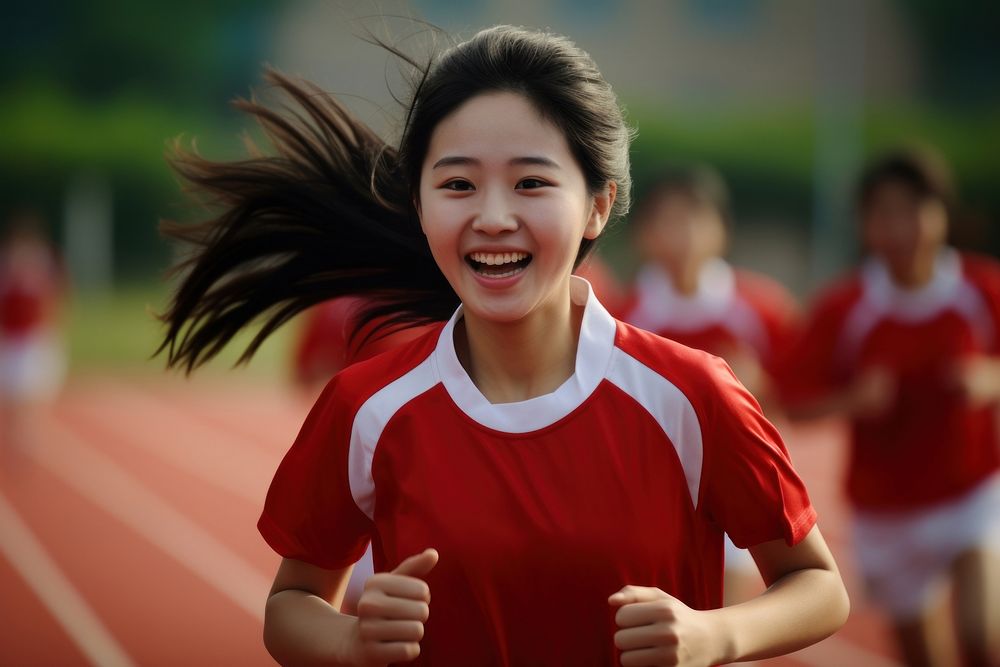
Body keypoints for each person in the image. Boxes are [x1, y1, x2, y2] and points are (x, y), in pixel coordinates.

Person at [158, 25, 848, 666]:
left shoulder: (691, 394)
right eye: (457, 184)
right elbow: (289, 606)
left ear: (599, 204)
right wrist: (353, 641)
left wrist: (714, 632)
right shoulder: (367, 404)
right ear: (421, 204)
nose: (492, 218)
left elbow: (819, 585)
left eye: (531, 183)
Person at [778, 149, 1000, 666]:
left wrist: (992, 378)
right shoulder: (846, 307)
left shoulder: (982, 290)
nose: (901, 227)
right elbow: (794, 403)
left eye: (914, 209)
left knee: (980, 634)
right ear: (865, 224)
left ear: (942, 214)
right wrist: (853, 400)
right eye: (884, 212)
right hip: (886, 509)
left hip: (970, 491)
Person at [622, 166, 800, 605]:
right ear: (644, 234)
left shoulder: (763, 308)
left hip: (732, 487)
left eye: (695, 219)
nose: (682, 234)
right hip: (650, 497)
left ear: (722, 230)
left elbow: (799, 402)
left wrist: (759, 387)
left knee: (724, 625)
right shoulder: (619, 315)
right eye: (667, 220)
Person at [0, 213, 65, 456]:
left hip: (35, 335)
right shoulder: (5, 263)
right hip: (10, 337)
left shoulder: (44, 260)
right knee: (13, 391)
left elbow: (55, 293)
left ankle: (29, 434)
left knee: (35, 389)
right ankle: (17, 433)